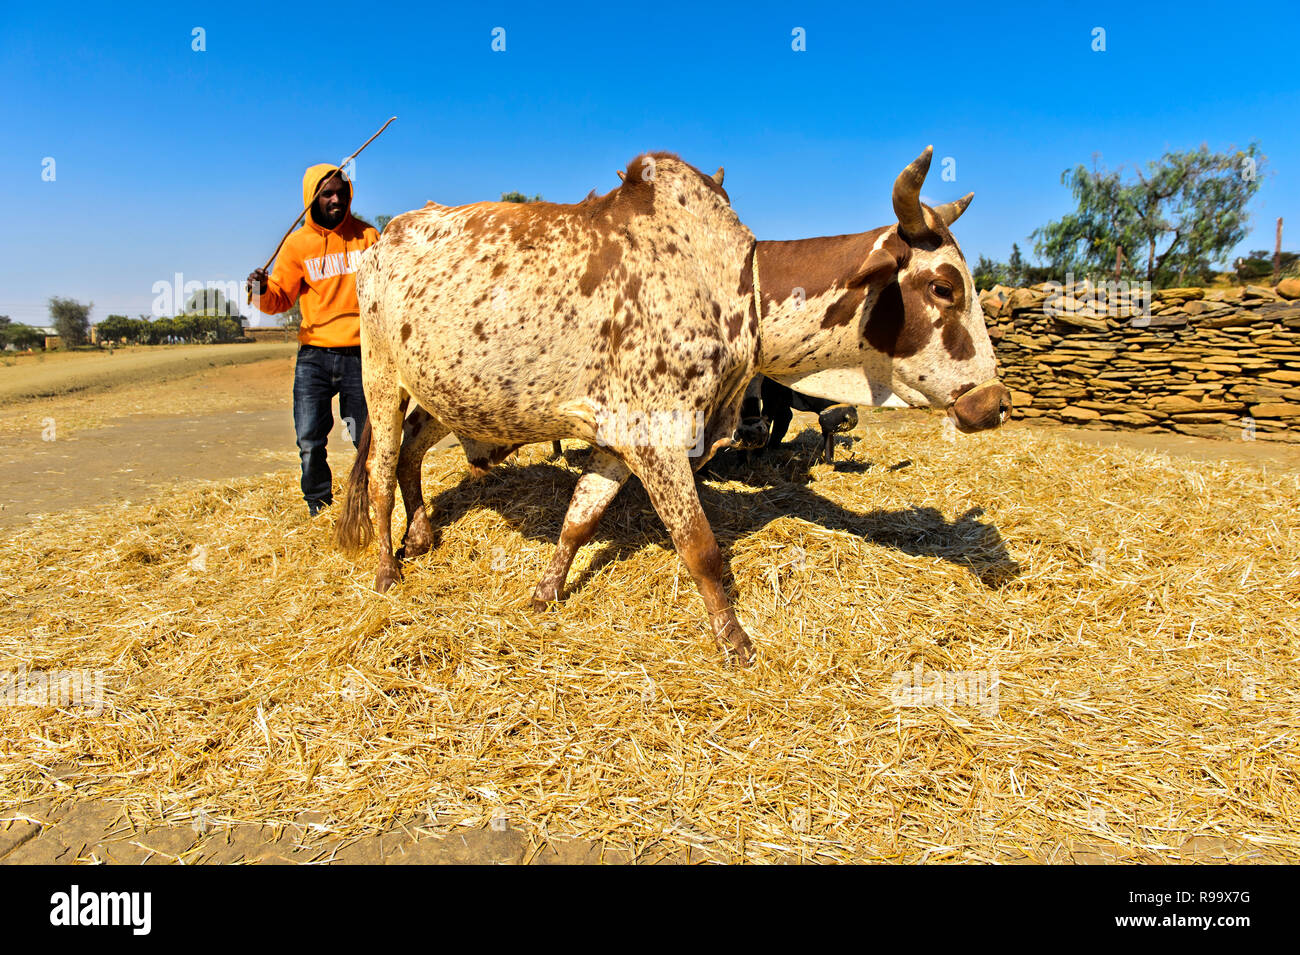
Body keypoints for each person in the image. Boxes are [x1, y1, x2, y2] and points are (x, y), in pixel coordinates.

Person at [247, 165, 380, 517]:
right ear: (311, 200)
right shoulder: (297, 244)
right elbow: (279, 300)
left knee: (366, 439)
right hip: (315, 357)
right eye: (326, 194)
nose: (335, 199)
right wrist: (260, 288)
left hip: (361, 355)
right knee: (309, 440)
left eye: (341, 192)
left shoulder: (368, 237)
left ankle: (367, 504)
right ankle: (317, 508)